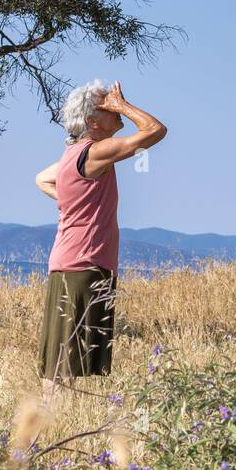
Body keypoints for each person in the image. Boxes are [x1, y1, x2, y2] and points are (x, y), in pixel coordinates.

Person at [34, 80, 166, 395]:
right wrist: (125, 107)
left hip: (75, 264)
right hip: (84, 265)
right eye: (104, 105)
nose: (112, 105)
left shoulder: (72, 154)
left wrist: (70, 203)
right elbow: (154, 131)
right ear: (92, 122)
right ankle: (52, 423)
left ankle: (55, 421)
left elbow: (41, 179)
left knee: (65, 355)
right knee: (67, 358)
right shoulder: (94, 152)